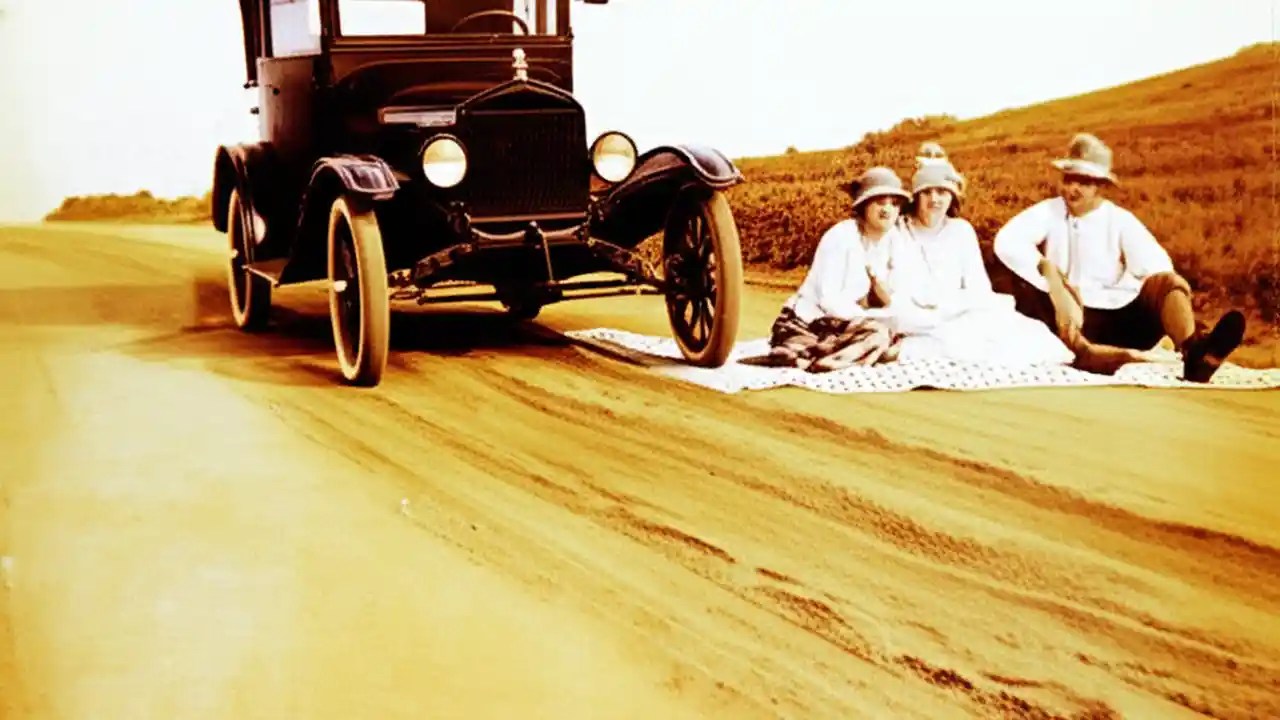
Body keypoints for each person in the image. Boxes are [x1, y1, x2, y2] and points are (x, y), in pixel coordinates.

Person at [993, 133, 1246, 381]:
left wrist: (1144, 294)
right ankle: (1093, 355)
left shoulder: (1119, 219)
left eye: (1084, 182)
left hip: (1118, 317)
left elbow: (1156, 266)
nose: (1073, 188)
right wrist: (1051, 275)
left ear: (1100, 187)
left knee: (1167, 284)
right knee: (1029, 296)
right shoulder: (1049, 211)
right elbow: (1007, 241)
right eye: (1069, 180)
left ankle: (1193, 352)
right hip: (1067, 315)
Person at [883, 145, 1076, 366]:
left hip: (957, 310)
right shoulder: (897, 230)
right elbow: (893, 284)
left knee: (1016, 334)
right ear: (915, 197)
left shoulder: (961, 230)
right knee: (928, 335)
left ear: (952, 197)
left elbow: (978, 287)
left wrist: (951, 307)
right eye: (926, 192)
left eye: (942, 192)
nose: (934, 199)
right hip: (913, 313)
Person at [759, 166, 918, 371]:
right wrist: (868, 318)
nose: (887, 210)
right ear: (864, 206)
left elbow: (899, 292)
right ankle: (823, 359)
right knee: (877, 335)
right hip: (809, 321)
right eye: (880, 202)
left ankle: (817, 357)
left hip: (847, 325)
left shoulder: (894, 241)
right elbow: (829, 299)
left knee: (900, 339)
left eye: (894, 204)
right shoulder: (841, 236)